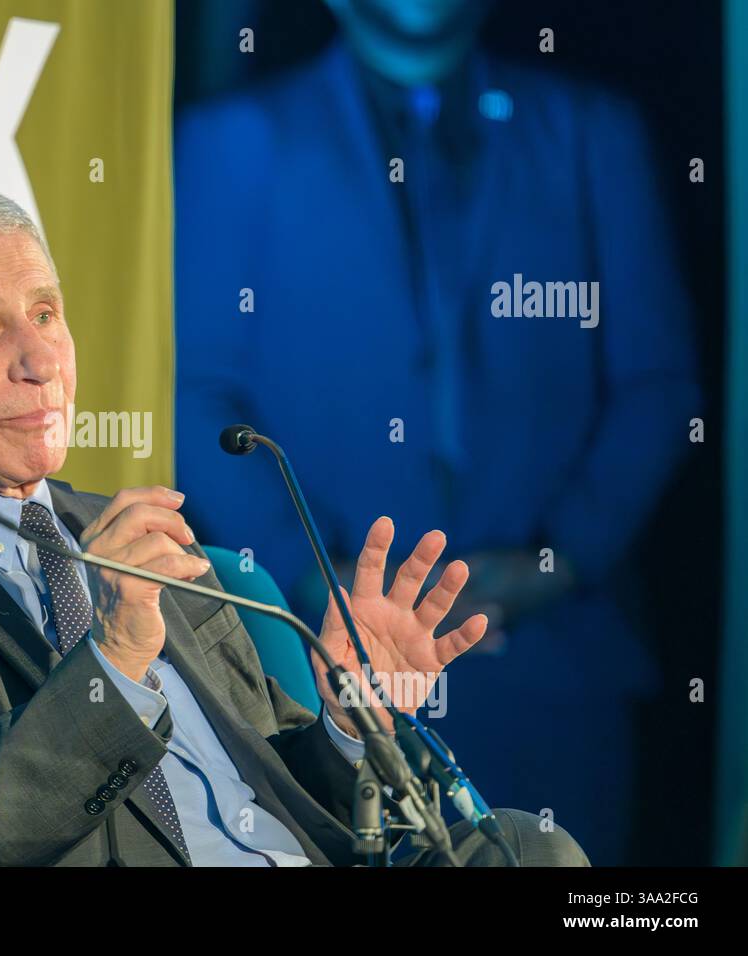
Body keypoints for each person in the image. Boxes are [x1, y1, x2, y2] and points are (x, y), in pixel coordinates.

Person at [0, 183, 589, 866]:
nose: (42, 362)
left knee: (529, 849)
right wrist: (110, 663)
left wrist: (347, 720)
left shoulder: (139, 539)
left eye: (45, 313)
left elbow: (282, 783)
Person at [172, 0, 700, 865]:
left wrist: (558, 562)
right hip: (315, 676)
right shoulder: (227, 141)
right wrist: (315, 578)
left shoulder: (593, 133)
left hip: (555, 670)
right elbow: (193, 389)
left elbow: (659, 384)